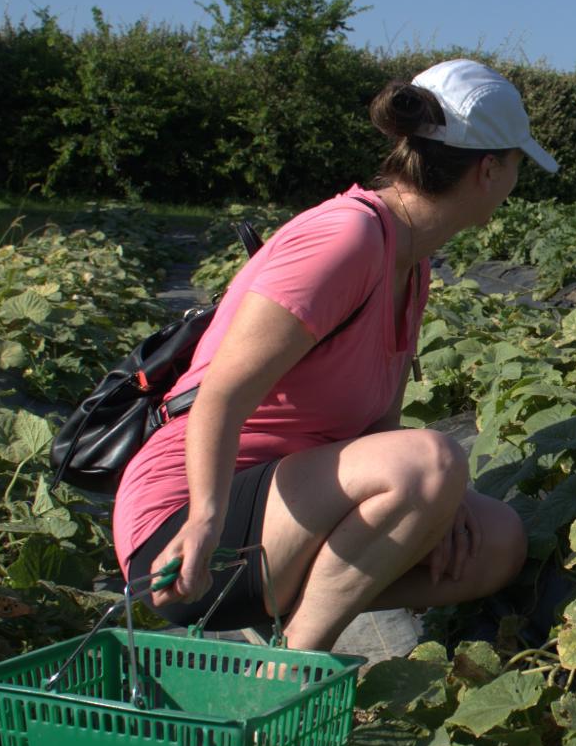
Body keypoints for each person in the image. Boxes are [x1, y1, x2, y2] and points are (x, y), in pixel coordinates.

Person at [113, 59, 553, 651]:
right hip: (188, 524)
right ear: (489, 169)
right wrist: (203, 523)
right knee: (430, 462)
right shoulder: (346, 238)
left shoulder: (411, 261)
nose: (516, 179)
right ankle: (298, 658)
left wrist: (439, 513)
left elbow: (376, 427)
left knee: (494, 540)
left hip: (286, 511)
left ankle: (305, 605)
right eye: (517, 164)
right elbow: (222, 393)